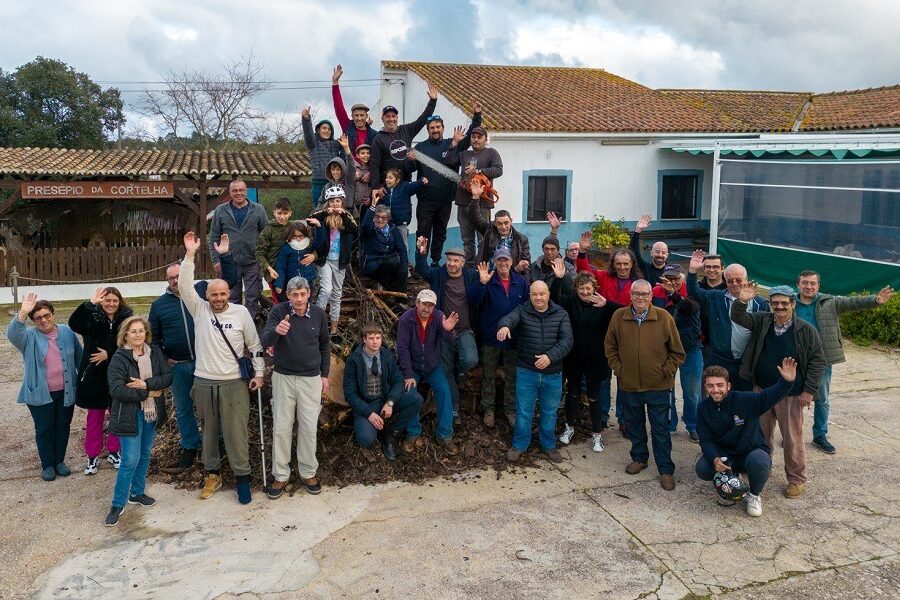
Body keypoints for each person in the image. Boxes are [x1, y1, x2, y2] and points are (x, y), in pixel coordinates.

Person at [180, 232, 265, 504]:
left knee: (236, 433)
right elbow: (183, 285)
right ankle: (212, 475)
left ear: (229, 293)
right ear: (206, 295)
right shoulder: (199, 310)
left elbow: (254, 345)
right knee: (209, 433)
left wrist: (260, 372)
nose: (218, 298)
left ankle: (242, 478)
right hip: (204, 382)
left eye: (222, 293)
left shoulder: (240, 313)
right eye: (213, 294)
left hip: (233, 383)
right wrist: (190, 255)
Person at [731, 284, 828, 499]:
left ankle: (796, 479)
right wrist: (742, 301)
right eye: (775, 303)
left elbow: (818, 361)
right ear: (770, 304)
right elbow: (739, 317)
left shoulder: (805, 330)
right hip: (762, 390)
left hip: (791, 394)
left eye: (784, 303)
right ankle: (760, 468)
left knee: (792, 438)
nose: (779, 306)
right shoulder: (762, 320)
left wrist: (809, 390)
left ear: (793, 304)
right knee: (760, 435)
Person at [149, 234, 237, 469]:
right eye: (171, 278)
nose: (176, 281)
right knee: (183, 409)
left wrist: (225, 255)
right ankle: (189, 446)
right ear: (166, 280)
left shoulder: (201, 291)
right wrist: (163, 359)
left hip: (204, 363)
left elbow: (229, 280)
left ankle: (217, 445)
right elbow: (153, 340)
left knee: (210, 408)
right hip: (178, 365)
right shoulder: (159, 306)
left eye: (179, 276)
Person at [795, 271, 894, 454]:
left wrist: (876, 300)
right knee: (794, 399)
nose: (808, 287)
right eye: (805, 283)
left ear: (819, 286)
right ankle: (792, 435)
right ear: (798, 284)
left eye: (812, 283)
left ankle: (820, 436)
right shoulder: (790, 303)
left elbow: (853, 302)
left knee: (822, 399)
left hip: (821, 359)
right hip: (795, 359)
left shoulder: (829, 302)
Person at [605, 280, 686, 490]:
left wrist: (665, 371)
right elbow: (610, 347)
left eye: (645, 294)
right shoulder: (619, 317)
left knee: (660, 429)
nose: (641, 298)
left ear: (651, 295)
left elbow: (677, 352)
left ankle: (666, 469)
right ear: (630, 295)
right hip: (629, 384)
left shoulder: (663, 317)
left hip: (658, 386)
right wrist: (619, 370)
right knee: (634, 425)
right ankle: (640, 458)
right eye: (637, 294)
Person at [695, 358, 798, 518]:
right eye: (710, 385)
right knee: (702, 468)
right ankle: (730, 476)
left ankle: (754, 495)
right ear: (705, 387)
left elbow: (768, 396)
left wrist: (786, 381)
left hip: (750, 452)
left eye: (720, 385)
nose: (715, 390)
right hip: (726, 456)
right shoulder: (703, 408)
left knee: (760, 461)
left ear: (728, 386)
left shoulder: (745, 400)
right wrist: (715, 459)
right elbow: (706, 440)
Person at [260, 276, 330, 499]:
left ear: (309, 293)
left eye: (302, 294)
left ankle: (308, 472)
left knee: (309, 428)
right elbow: (264, 340)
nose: (299, 299)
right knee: (282, 427)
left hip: (311, 378)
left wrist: (325, 375)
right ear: (288, 295)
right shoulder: (279, 312)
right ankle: (280, 475)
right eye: (294, 295)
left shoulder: (318, 314)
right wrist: (276, 332)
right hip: (284, 377)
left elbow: (325, 344)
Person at [104, 316, 172, 527]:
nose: (138, 335)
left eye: (141, 331)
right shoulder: (119, 358)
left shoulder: (155, 353)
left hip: (151, 414)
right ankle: (117, 504)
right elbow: (117, 390)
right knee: (130, 459)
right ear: (125, 334)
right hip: (129, 415)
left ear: (146, 333)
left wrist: (146, 384)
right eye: (133, 331)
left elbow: (167, 377)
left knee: (144, 455)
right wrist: (149, 392)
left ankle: (137, 492)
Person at [8, 294, 82, 481]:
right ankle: (47, 465)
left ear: (53, 314)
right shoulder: (29, 336)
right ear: (34, 321)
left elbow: (80, 359)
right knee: (44, 428)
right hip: (40, 393)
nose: (44, 320)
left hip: (66, 391)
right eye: (38, 317)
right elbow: (13, 334)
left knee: (62, 426)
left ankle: (59, 461)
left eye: (47, 315)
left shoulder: (66, 332)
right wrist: (23, 313)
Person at [498, 281, 574, 464]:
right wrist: (505, 326)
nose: (538, 298)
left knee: (549, 412)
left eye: (542, 294)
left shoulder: (561, 314)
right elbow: (508, 319)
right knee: (524, 411)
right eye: (534, 294)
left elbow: (567, 340)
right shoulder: (522, 310)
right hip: (527, 372)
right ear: (530, 295)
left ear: (548, 294)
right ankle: (520, 445)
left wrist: (550, 356)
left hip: (553, 374)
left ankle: (548, 445)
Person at [552, 266, 621, 452]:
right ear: (576, 288)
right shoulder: (570, 302)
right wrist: (558, 279)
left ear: (594, 288)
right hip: (574, 358)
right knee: (573, 394)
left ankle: (597, 435)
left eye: (588, 289)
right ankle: (569, 428)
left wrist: (607, 305)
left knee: (594, 397)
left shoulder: (602, 304)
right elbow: (554, 300)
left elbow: (623, 313)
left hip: (596, 359)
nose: (584, 292)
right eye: (581, 288)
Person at [69, 286, 134, 475]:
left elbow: (132, 343)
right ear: (102, 302)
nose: (111, 304)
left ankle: (114, 451)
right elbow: (74, 324)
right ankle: (92, 455)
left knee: (117, 415)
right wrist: (90, 304)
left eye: (114, 300)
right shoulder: (92, 316)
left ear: (120, 302)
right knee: (94, 419)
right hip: (94, 377)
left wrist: (109, 353)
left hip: (118, 374)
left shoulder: (126, 319)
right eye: (107, 300)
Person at [415, 239, 480, 424]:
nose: (452, 264)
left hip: (465, 329)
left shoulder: (470, 276)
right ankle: (454, 409)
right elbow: (423, 270)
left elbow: (486, 282)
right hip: (443, 331)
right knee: (445, 370)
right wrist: (421, 254)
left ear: (462, 262)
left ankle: (460, 371)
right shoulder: (439, 275)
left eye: (456, 261)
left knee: (470, 359)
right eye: (449, 260)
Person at [411, 101, 482, 264]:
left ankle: (435, 261)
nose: (435, 130)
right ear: (428, 130)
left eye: (438, 127)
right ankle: (421, 263)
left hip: (445, 200)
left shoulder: (453, 144)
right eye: (432, 128)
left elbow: (472, 134)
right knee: (423, 233)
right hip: (425, 201)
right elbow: (410, 167)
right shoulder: (420, 148)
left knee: (440, 233)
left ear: (442, 128)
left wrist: (477, 116)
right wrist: (410, 160)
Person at [686, 250, 768, 390]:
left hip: (747, 363)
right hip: (720, 360)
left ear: (746, 280)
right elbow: (695, 293)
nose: (734, 283)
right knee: (718, 399)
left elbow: (765, 333)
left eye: (738, 280)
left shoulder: (760, 303)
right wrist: (693, 272)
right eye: (730, 281)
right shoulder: (717, 297)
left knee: (745, 401)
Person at [343, 322, 425, 461]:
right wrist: (369, 413)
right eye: (371, 338)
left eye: (378, 338)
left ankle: (392, 433)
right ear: (364, 339)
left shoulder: (386, 355)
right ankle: (372, 427)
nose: (375, 342)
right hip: (367, 404)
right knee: (365, 439)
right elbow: (350, 394)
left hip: (385, 398)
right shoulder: (354, 360)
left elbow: (398, 380)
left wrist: (391, 402)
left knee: (416, 399)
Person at [468, 249, 529, 427]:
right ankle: (488, 408)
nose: (503, 264)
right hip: (490, 336)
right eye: (499, 260)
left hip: (514, 337)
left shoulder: (521, 282)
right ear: (495, 261)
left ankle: (510, 410)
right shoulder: (488, 279)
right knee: (489, 375)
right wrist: (481, 283)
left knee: (512, 375)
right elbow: (473, 301)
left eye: (506, 260)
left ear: (511, 262)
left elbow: (526, 308)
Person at [396, 289, 459, 455]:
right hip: (413, 366)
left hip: (432, 365)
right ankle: (412, 433)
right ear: (417, 303)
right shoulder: (406, 319)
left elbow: (448, 340)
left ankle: (445, 434)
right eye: (424, 304)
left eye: (430, 305)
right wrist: (408, 373)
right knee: (410, 393)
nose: (427, 308)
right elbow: (402, 348)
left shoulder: (438, 317)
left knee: (445, 391)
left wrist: (447, 329)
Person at [653, 265, 702, 442]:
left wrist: (673, 294)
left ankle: (693, 425)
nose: (672, 281)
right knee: (667, 389)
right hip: (667, 350)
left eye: (676, 278)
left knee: (692, 392)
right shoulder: (656, 292)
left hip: (690, 348)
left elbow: (691, 308)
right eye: (669, 277)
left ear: (682, 278)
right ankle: (670, 423)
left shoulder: (691, 291)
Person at [207, 179, 268, 320]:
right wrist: (216, 260)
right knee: (232, 297)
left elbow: (266, 235)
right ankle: (234, 325)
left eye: (241, 190)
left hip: (253, 261)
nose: (238, 193)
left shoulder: (258, 209)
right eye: (235, 190)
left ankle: (250, 325)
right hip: (229, 262)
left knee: (253, 296)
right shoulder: (221, 210)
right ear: (230, 192)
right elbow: (213, 237)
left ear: (246, 191)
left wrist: (264, 260)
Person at [443, 126, 503, 267]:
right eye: (473, 137)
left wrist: (479, 171)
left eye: (479, 137)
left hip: (482, 202)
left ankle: (482, 266)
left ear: (485, 139)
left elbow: (498, 170)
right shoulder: (464, 154)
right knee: (467, 239)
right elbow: (448, 162)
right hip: (463, 200)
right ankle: (469, 266)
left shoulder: (491, 153)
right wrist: (454, 143)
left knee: (483, 238)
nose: (476, 140)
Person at [308, 187, 359, 334]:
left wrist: (343, 215)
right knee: (326, 290)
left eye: (337, 200)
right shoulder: (324, 216)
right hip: (325, 259)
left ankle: (334, 330)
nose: (335, 203)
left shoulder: (347, 217)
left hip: (340, 261)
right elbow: (310, 218)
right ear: (328, 202)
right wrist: (326, 212)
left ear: (342, 202)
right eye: (332, 201)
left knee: (336, 294)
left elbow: (354, 229)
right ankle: (315, 322)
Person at [369, 83, 438, 186]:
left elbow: (423, 119)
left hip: (405, 184)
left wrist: (433, 101)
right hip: (387, 186)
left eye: (393, 116)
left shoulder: (406, 130)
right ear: (382, 119)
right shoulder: (378, 139)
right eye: (388, 116)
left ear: (397, 118)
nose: (391, 119)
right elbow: (374, 165)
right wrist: (376, 187)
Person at [469, 199, 531, 277]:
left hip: (512, 276)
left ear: (511, 221)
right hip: (489, 275)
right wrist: (475, 198)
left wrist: (527, 286)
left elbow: (526, 265)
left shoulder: (521, 239)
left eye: (506, 223)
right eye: (499, 224)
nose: (503, 227)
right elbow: (475, 218)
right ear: (495, 223)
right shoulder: (488, 231)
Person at [575, 233, 642, 305]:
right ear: (613, 264)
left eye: (625, 264)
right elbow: (584, 272)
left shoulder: (638, 284)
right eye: (618, 264)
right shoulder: (603, 276)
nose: (622, 267)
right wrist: (582, 251)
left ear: (631, 264)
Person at [372, 167, 428, 252]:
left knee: (402, 243)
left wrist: (422, 181)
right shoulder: (384, 190)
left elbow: (414, 185)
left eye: (390, 178)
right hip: (388, 223)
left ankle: (405, 262)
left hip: (401, 223)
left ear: (397, 180)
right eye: (386, 177)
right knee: (389, 243)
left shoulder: (404, 187)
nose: (387, 180)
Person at [359, 204, 408, 292]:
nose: (380, 220)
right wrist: (372, 207)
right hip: (373, 265)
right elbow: (365, 226)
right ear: (374, 217)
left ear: (388, 219)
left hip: (391, 264)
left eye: (383, 217)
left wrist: (404, 264)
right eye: (377, 216)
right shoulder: (370, 229)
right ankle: (387, 290)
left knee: (402, 269)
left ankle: (401, 300)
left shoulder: (393, 229)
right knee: (389, 262)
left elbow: (402, 248)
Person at [302, 106, 345, 202]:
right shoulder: (313, 143)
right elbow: (308, 134)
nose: (327, 131)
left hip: (334, 183)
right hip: (318, 184)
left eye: (329, 129)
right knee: (319, 212)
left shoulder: (336, 144)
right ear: (318, 130)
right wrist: (306, 120)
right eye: (324, 128)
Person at [255, 198, 294, 305]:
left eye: (285, 213)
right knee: (279, 302)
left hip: (291, 270)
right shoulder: (268, 230)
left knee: (293, 300)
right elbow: (259, 253)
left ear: (290, 213)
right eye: (279, 213)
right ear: (274, 213)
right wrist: (269, 269)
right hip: (274, 272)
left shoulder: (293, 228)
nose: (282, 217)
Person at [331, 64, 377, 154]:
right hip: (349, 167)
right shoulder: (347, 126)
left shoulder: (374, 134)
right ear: (352, 116)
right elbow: (338, 107)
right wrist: (335, 83)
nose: (359, 118)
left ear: (366, 116)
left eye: (362, 115)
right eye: (356, 115)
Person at [272, 221, 319, 302]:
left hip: (308, 280)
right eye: (294, 236)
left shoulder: (310, 245)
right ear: (290, 235)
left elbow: (321, 245)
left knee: (308, 301)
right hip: (291, 281)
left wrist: (314, 256)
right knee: (293, 302)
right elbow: (281, 266)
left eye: (301, 236)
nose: (298, 239)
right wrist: (279, 283)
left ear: (305, 234)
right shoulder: (286, 248)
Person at [698, 254, 727, 362]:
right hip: (702, 343)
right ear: (704, 269)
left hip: (724, 343)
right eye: (708, 267)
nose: (711, 270)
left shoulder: (729, 289)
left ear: (722, 269)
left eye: (715, 267)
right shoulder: (697, 288)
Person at [314, 143, 357, 211]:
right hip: (332, 216)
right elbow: (321, 203)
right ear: (329, 171)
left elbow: (352, 166)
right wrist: (315, 215)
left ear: (343, 169)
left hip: (349, 214)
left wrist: (346, 148)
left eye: (338, 169)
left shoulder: (348, 180)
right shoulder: (327, 186)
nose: (335, 172)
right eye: (333, 169)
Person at [630, 214, 671, 285]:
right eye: (657, 252)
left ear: (667, 255)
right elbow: (633, 252)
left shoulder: (671, 271)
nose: (660, 255)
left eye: (663, 253)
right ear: (651, 253)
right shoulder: (645, 268)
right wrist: (637, 231)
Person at [352, 144, 374, 218]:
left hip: (367, 205)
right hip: (355, 205)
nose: (366, 155)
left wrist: (370, 199)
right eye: (363, 153)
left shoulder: (373, 169)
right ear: (357, 155)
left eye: (368, 153)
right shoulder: (353, 168)